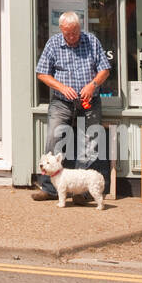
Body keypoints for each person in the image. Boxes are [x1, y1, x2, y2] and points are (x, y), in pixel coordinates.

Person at [35, 11, 111, 199]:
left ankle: (81, 192)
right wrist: (61, 87)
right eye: (68, 33)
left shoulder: (91, 41)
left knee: (90, 143)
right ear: (61, 29)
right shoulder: (53, 43)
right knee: (54, 138)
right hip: (62, 101)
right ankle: (49, 189)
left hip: (89, 100)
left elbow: (105, 69)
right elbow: (42, 73)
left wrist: (93, 85)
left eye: (75, 32)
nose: (72, 37)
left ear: (80, 27)